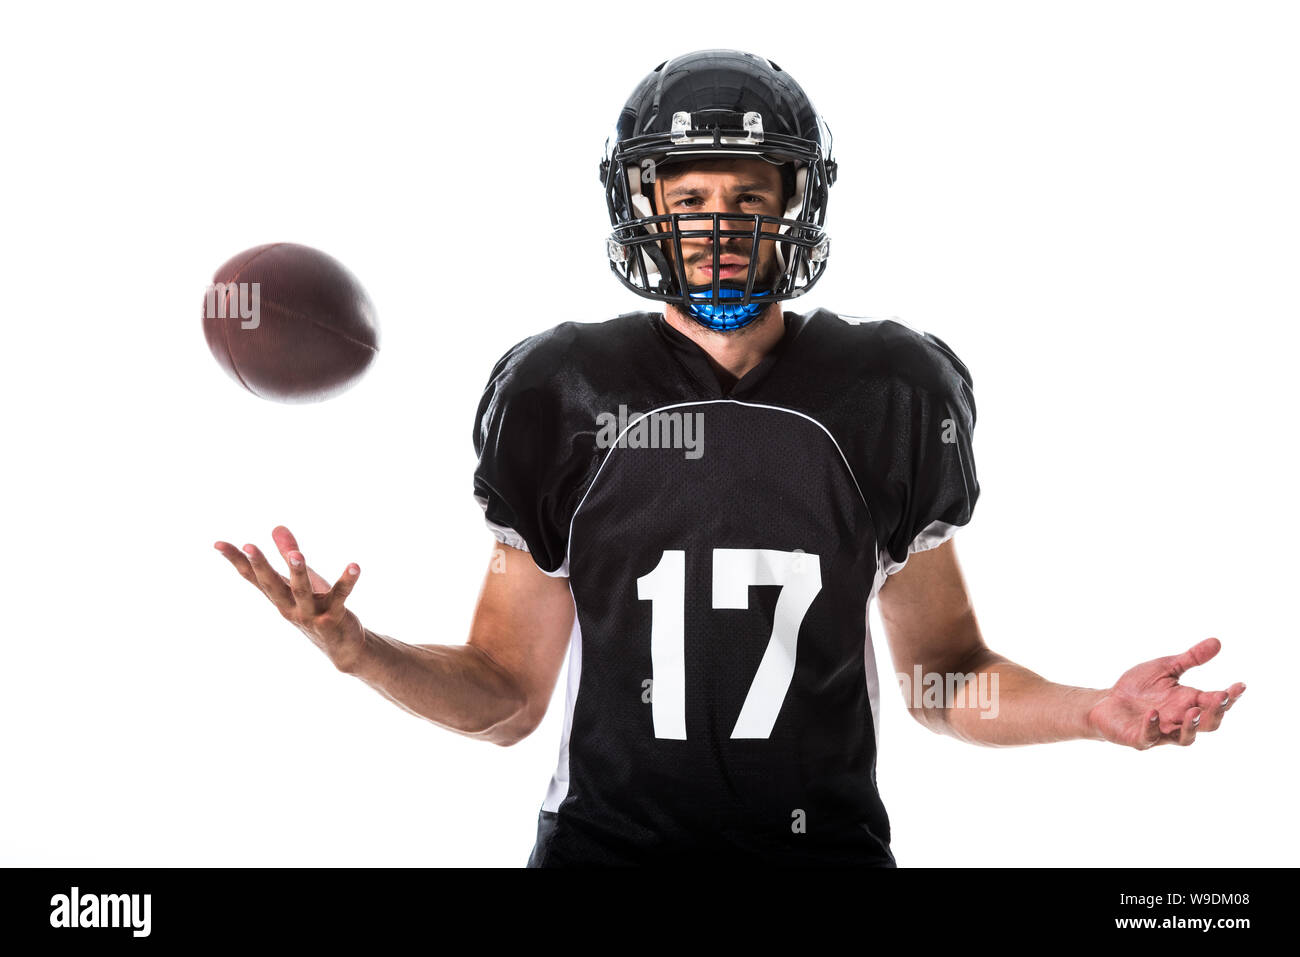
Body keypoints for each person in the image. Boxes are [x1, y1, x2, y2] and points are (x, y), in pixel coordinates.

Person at [215, 49, 1245, 867]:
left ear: (795, 207)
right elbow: (506, 696)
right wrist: (362, 653)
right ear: (644, 207)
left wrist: (1089, 711)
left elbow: (943, 680)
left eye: (749, 198)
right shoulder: (560, 391)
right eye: (690, 197)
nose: (718, 227)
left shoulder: (888, 390)